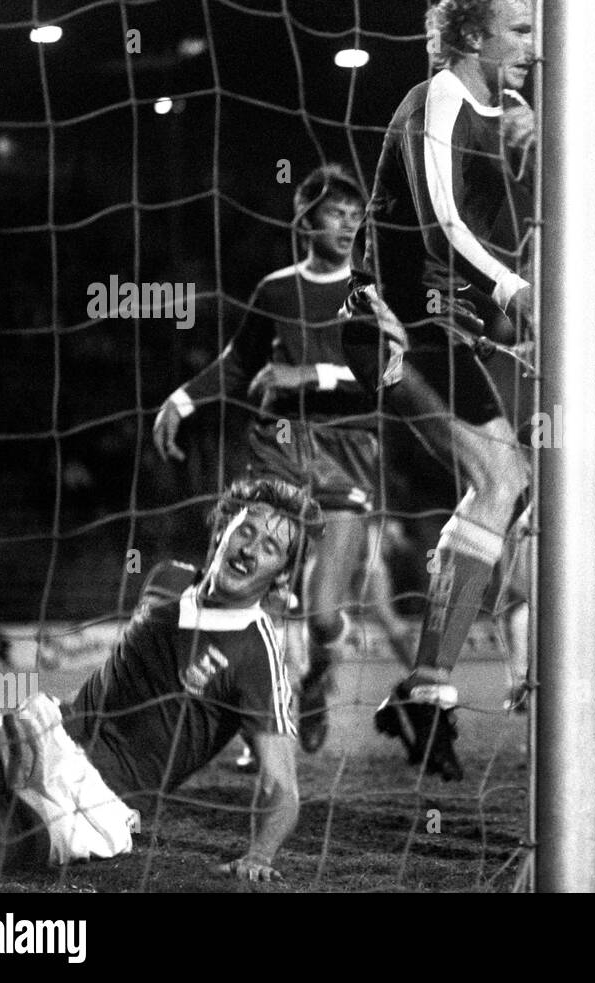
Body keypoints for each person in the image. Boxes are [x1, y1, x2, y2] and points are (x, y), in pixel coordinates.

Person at [342, 0, 595, 783]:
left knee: (521, 483)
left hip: (452, 324)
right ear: (472, 38)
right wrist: (513, 292)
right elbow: (440, 220)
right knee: (504, 479)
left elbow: (500, 239)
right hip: (402, 321)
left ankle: (442, 679)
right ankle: (489, 667)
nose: (536, 46)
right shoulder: (439, 94)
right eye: (518, 30)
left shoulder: (495, 118)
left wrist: (527, 161)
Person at [0, 478, 322, 882]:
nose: (249, 549)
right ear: (224, 526)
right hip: (48, 732)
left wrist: (259, 854)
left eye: (270, 547)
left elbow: (282, 786)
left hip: (92, 801)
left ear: (281, 576)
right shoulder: (166, 579)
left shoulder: (257, 654)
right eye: (247, 530)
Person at [152, 164, 384, 755]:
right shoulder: (277, 290)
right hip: (279, 441)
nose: (348, 225)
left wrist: (315, 371)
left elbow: (387, 377)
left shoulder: (371, 290)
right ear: (306, 220)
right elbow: (238, 361)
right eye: (336, 214)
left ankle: (317, 679)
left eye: (356, 217)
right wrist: (181, 400)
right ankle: (254, 724)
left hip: (349, 450)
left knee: (324, 613)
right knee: (249, 583)